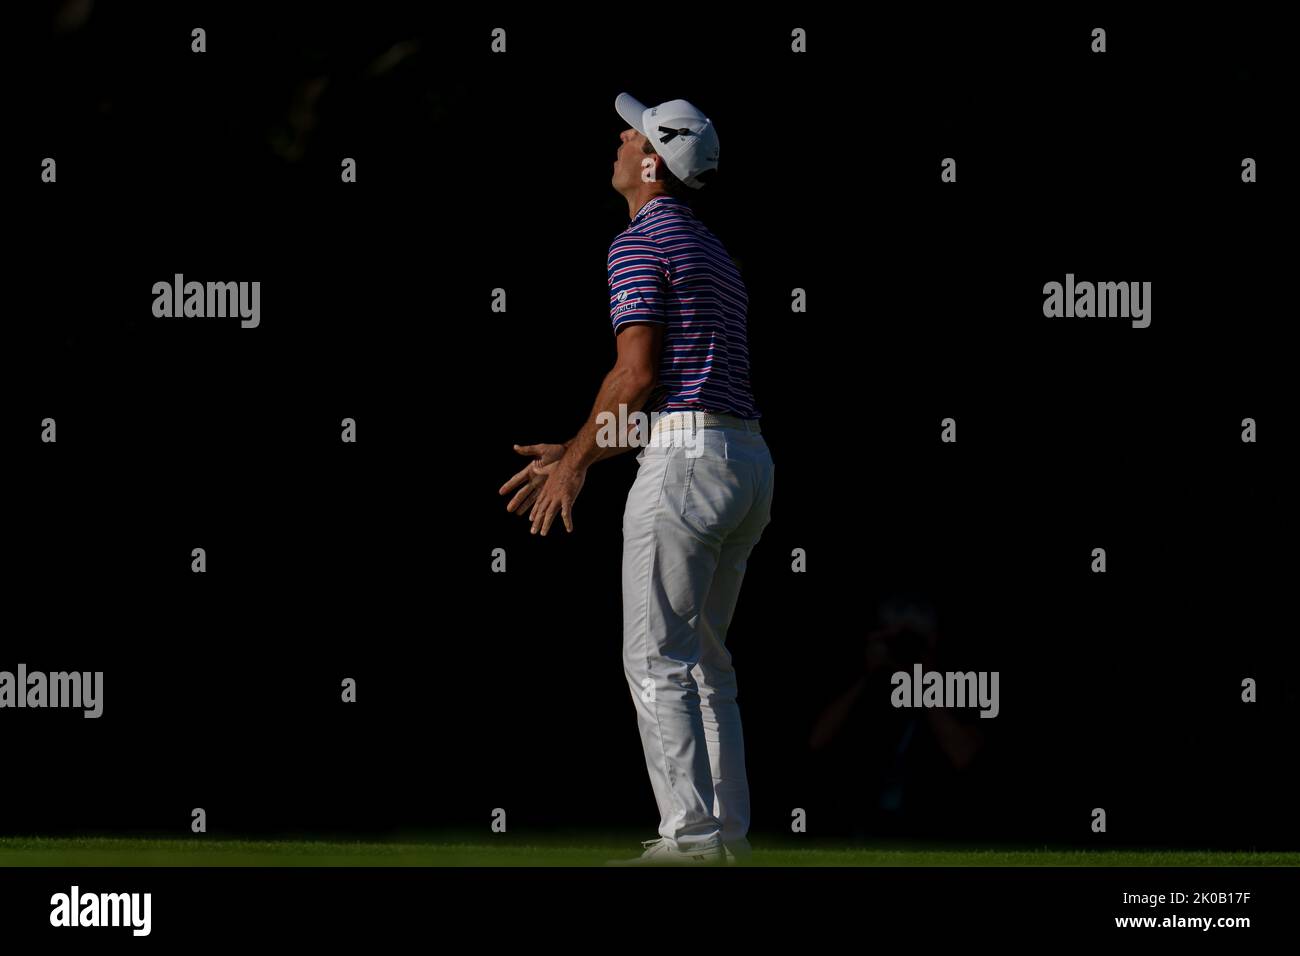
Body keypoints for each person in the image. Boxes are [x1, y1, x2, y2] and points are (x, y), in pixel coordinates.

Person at [498, 94, 774, 865]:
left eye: (634, 132)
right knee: (708, 664)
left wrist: (579, 466)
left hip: (689, 465)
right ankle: (726, 844)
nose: (620, 139)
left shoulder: (639, 241)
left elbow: (637, 375)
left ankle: (688, 843)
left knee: (658, 659)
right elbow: (674, 387)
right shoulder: (713, 248)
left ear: (653, 161)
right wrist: (581, 445)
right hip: (746, 463)